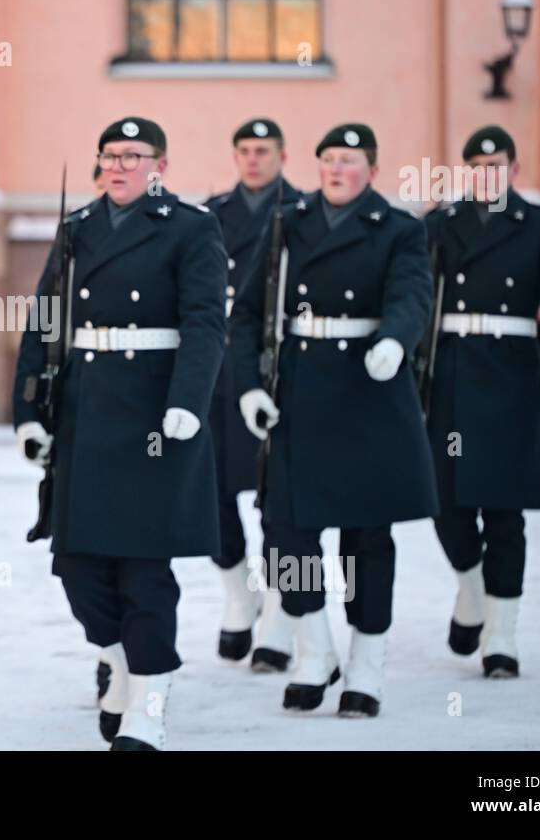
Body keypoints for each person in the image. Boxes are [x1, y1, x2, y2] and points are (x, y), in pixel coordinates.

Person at [13, 116, 227, 750]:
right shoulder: (77, 229)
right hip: (86, 411)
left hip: (155, 416)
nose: (119, 165)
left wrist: (188, 400)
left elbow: (205, 321)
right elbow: (43, 323)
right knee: (77, 568)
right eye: (109, 155)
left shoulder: (191, 227)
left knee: (143, 571)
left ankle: (150, 705)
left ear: (159, 164)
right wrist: (30, 410)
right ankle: (119, 659)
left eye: (133, 156)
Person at [231, 123, 437, 718]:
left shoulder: (398, 227)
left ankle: (367, 666)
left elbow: (412, 294)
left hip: (369, 394)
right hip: (299, 391)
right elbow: (245, 314)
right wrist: (248, 387)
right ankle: (316, 651)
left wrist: (396, 341)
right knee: (285, 531)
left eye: (348, 160)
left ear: (371, 169)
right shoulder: (286, 224)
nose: (335, 170)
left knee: (367, 538)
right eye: (327, 160)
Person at [426, 125, 540, 679]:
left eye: (495, 164)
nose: (485, 174)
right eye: (475, 165)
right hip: (449, 373)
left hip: (513, 378)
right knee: (444, 504)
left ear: (513, 171)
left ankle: (502, 634)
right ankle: (471, 586)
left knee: (504, 513)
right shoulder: (441, 223)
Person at [203, 117, 302, 671]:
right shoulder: (212, 214)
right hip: (221, 373)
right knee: (212, 493)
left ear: (282, 155)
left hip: (281, 374)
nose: (253, 159)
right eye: (244, 149)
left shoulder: (303, 213)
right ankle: (240, 594)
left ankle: (282, 615)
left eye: (263, 150)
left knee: (279, 503)